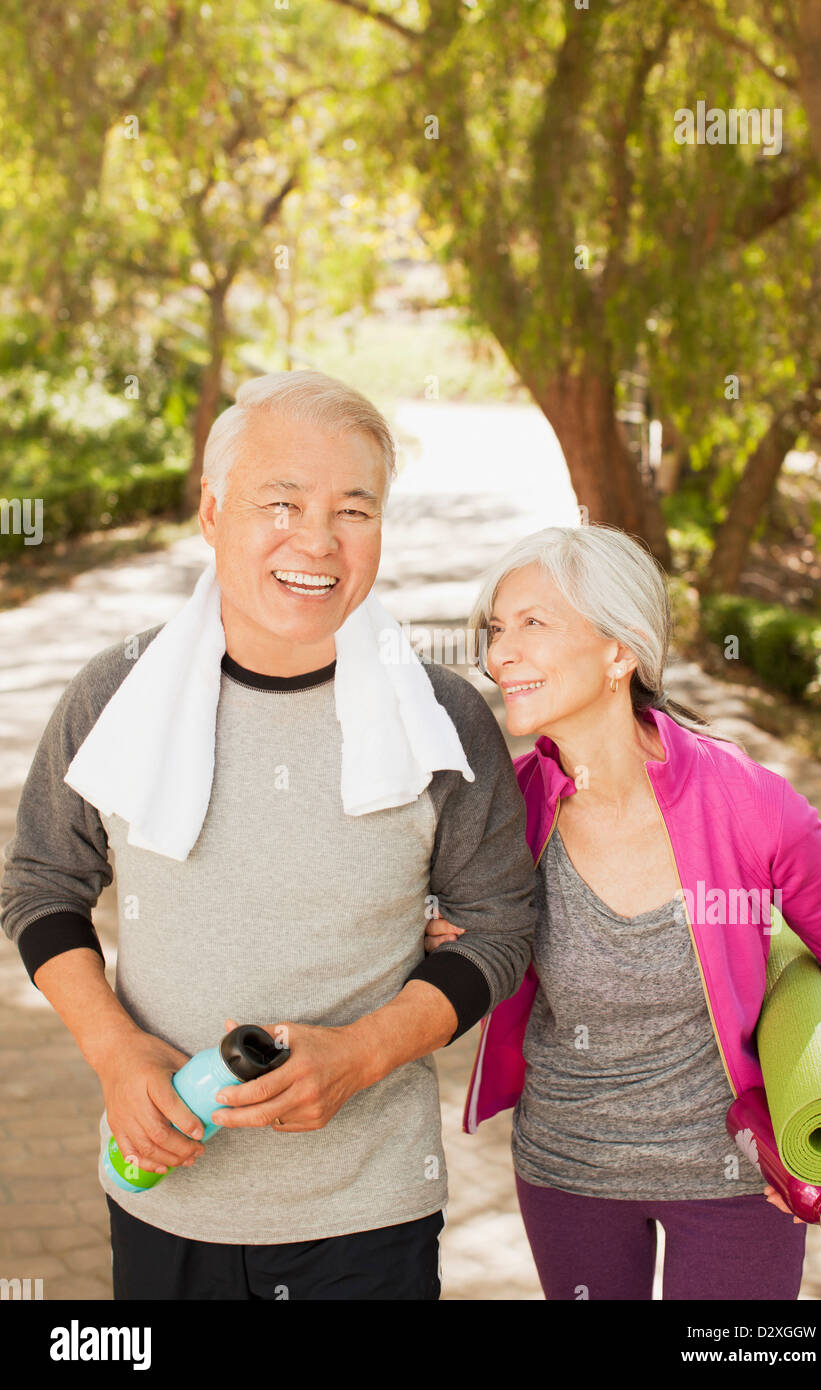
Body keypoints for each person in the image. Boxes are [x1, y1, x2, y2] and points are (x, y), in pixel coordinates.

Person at [0, 369, 537, 1301]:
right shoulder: (114, 695)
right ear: (212, 513)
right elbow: (42, 886)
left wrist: (364, 1053)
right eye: (279, 502)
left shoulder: (442, 719)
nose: (318, 541)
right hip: (165, 1193)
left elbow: (500, 925)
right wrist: (114, 1053)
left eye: (354, 510)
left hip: (368, 1216)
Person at [426, 523, 821, 1300]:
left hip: (737, 1176)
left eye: (533, 623)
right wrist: (444, 932)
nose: (499, 655)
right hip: (568, 1170)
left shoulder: (753, 806)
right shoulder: (507, 810)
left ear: (620, 651)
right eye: (497, 630)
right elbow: (451, 930)